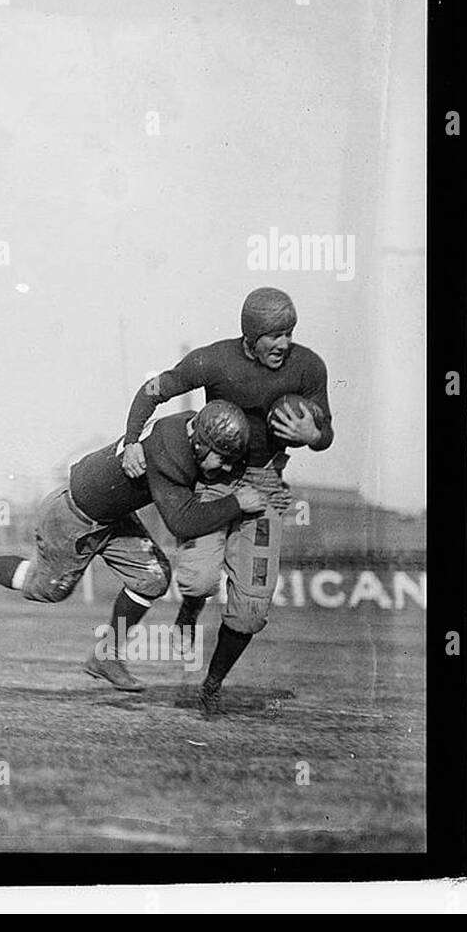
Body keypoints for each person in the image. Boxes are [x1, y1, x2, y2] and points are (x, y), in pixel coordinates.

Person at [0, 401, 269, 698]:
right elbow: (182, 523)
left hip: (110, 515)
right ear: (200, 443)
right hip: (71, 517)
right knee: (46, 590)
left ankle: (107, 655)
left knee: (153, 578)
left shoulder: (188, 425)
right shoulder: (171, 454)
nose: (225, 467)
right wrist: (237, 502)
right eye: (222, 458)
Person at [117, 287, 334, 715]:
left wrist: (315, 437)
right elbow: (151, 390)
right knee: (196, 580)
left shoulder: (308, 367)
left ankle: (212, 684)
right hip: (215, 479)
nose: (284, 344)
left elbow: (325, 431)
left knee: (252, 609)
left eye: (289, 333)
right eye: (274, 335)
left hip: (267, 486)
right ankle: (189, 611)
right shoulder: (214, 360)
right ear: (250, 336)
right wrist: (130, 442)